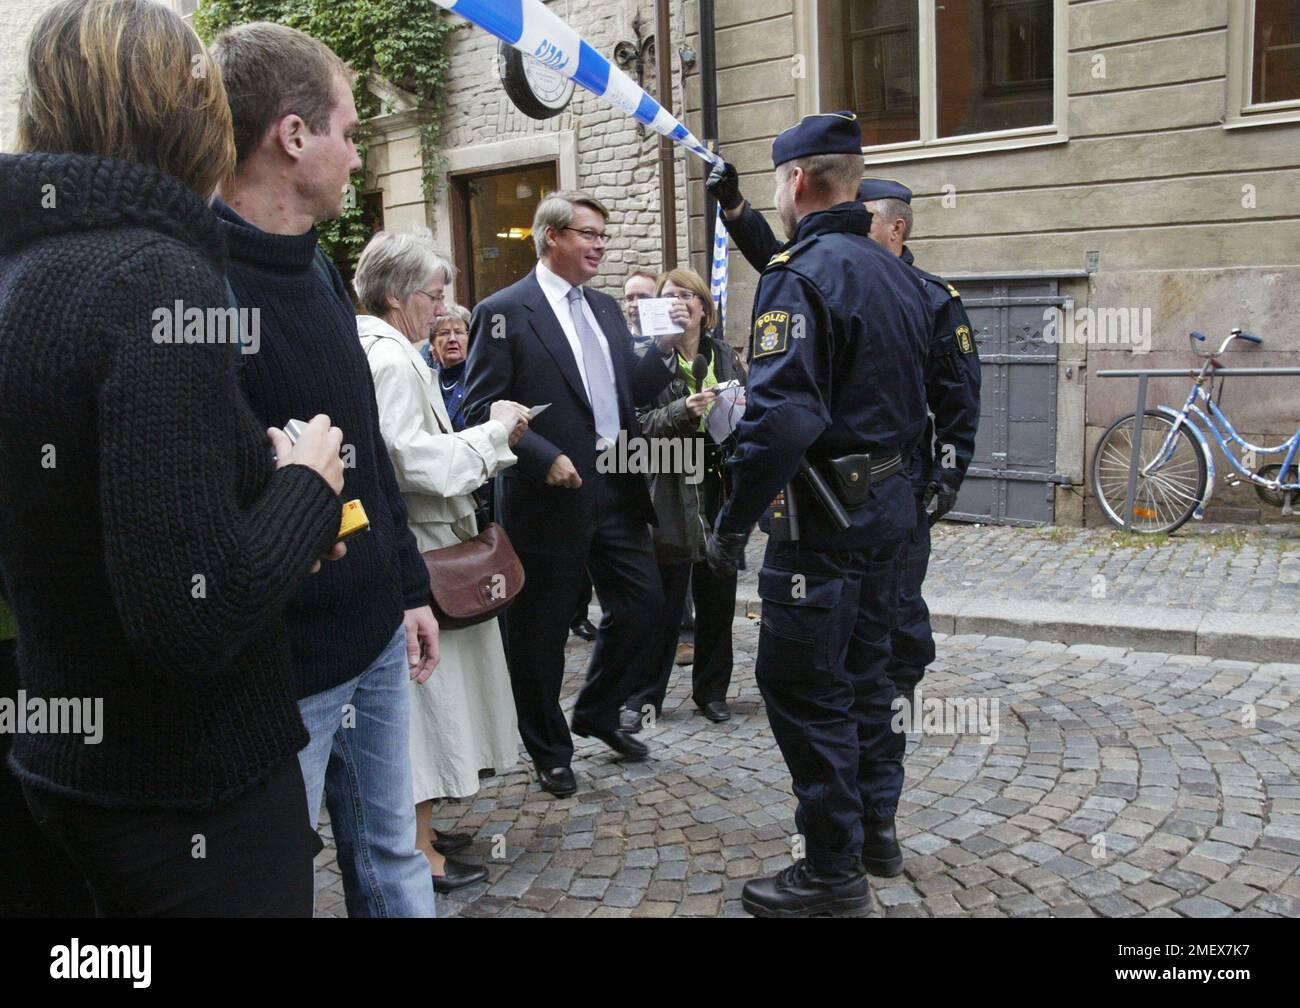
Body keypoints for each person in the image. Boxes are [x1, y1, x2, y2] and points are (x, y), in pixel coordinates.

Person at [0, 0, 346, 916]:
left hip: (71, 772)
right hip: (186, 794)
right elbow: (192, 613)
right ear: (185, 110)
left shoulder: (25, 271)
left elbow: (98, 522)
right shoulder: (151, 276)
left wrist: (263, 502)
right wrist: (307, 486)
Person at [210, 21, 438, 918]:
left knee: (394, 856)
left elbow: (365, 450)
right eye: (348, 132)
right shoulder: (199, 284)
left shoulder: (317, 268)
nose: (356, 156)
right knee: (272, 891)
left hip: (376, 636)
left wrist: (410, 587)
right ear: (293, 136)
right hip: (284, 668)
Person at [707, 164, 982, 878]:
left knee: (810, 685)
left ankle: (832, 867)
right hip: (883, 518)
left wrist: (733, 522)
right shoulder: (890, 276)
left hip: (837, 526)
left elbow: (787, 417)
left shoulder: (836, 275)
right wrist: (734, 208)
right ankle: (872, 836)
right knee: (874, 678)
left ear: (797, 179)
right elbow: (792, 261)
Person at [464, 191, 674, 797]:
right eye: (588, 234)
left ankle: (597, 711)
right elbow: (480, 406)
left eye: (603, 236)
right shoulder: (504, 310)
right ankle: (549, 748)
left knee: (643, 604)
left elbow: (621, 388)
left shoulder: (606, 308)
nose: (600, 246)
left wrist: (662, 351)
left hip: (617, 482)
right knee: (541, 631)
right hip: (546, 494)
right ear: (551, 236)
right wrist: (540, 455)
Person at [354, 231, 530, 895]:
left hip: (423, 544)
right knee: (424, 705)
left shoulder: (389, 351)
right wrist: (494, 433)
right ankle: (417, 850)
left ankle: (422, 832)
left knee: (433, 699)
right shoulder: (393, 362)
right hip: (423, 549)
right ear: (399, 296)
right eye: (434, 294)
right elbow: (413, 463)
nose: (443, 307)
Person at [625, 267, 746, 727]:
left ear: (703, 307)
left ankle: (711, 691)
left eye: (686, 295)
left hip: (718, 484)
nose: (677, 301)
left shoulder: (724, 355)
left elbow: (747, 409)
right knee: (664, 602)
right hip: (670, 485)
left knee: (718, 595)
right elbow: (633, 427)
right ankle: (644, 698)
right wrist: (682, 410)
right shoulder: (645, 358)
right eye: (668, 295)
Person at [622, 268, 658, 355]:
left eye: (643, 297)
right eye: (629, 298)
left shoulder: (675, 345)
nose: (635, 304)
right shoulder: (618, 346)